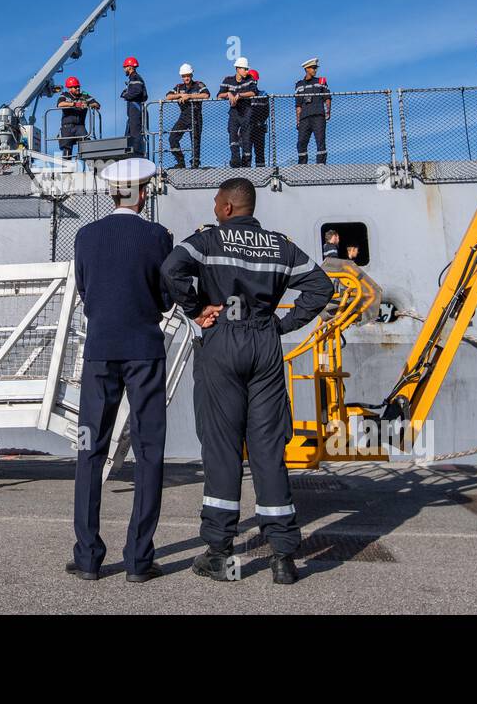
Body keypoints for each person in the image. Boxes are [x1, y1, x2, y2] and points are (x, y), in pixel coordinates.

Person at [161, 177, 335, 584]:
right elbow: (321, 286)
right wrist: (283, 323)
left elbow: (171, 268)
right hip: (264, 341)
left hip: (223, 340)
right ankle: (283, 558)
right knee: (268, 448)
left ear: (225, 208)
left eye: (216, 202)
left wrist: (196, 307)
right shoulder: (280, 246)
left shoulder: (207, 241)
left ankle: (220, 553)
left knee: (222, 446)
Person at [68, 158, 173, 583]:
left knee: (90, 449)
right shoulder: (158, 237)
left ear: (113, 192)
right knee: (149, 452)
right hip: (144, 353)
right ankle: (138, 560)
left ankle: (89, 558)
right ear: (142, 193)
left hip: (99, 354)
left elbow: (84, 290)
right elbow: (166, 298)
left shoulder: (86, 236)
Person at [165, 63, 209, 168]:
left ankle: (195, 163)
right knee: (173, 138)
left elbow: (206, 95)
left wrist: (189, 96)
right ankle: (180, 161)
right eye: (184, 76)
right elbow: (168, 96)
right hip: (183, 116)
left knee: (195, 140)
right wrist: (180, 95)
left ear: (192, 75)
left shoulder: (199, 84)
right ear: (181, 77)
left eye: (188, 75)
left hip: (196, 115)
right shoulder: (178, 87)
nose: (186, 78)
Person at [217, 57, 257, 168]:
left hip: (246, 112)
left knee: (246, 137)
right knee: (233, 135)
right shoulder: (228, 80)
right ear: (238, 69)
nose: (247, 71)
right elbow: (219, 95)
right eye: (244, 69)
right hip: (234, 112)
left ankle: (246, 163)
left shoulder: (250, 79)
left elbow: (254, 92)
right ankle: (235, 161)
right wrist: (228, 94)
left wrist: (240, 95)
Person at [294, 58, 330, 164]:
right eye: (313, 68)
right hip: (304, 117)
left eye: (315, 68)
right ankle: (302, 164)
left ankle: (321, 164)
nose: (315, 70)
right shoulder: (299, 84)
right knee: (301, 142)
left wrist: (328, 111)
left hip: (318, 115)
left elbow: (327, 97)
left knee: (320, 140)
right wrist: (298, 120)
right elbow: (298, 105)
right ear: (306, 69)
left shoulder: (321, 81)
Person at [56, 77, 100, 158]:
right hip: (67, 127)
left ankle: (89, 165)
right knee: (67, 148)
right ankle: (66, 167)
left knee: (87, 144)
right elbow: (60, 104)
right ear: (70, 89)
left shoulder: (84, 95)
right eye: (75, 87)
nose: (78, 88)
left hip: (80, 126)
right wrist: (74, 104)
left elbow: (97, 104)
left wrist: (87, 104)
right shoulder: (65, 95)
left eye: (78, 86)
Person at [121, 56, 147, 157]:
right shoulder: (134, 78)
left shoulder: (135, 77)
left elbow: (137, 91)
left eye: (125, 67)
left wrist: (125, 95)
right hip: (133, 110)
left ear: (130, 67)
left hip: (135, 109)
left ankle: (137, 155)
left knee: (135, 134)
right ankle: (130, 155)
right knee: (129, 133)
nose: (124, 69)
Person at [247, 68, 269, 167]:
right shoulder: (243, 96)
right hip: (246, 127)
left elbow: (266, 112)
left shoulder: (263, 95)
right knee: (246, 152)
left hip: (259, 127)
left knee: (260, 152)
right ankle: (245, 171)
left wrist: (260, 121)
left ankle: (261, 172)